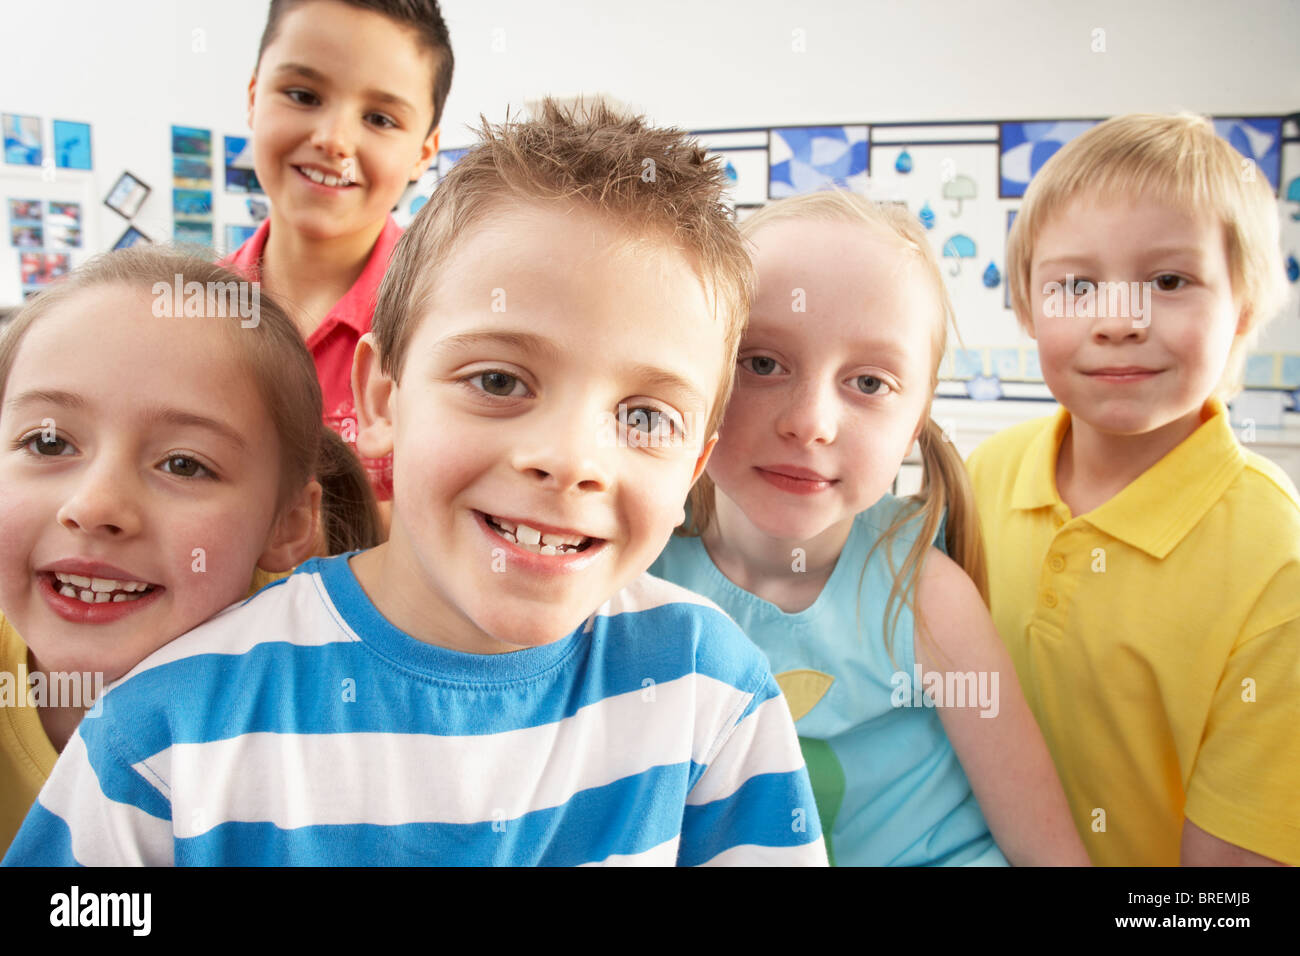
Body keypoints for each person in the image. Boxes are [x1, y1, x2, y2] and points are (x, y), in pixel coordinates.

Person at [4, 102, 826, 867]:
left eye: (646, 417)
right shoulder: (164, 732)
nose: (571, 459)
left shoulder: (709, 686)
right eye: (500, 381)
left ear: (693, 465)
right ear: (382, 398)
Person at [651, 190, 1088, 866]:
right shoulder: (640, 571)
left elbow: (1047, 849)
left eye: (869, 383)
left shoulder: (926, 596)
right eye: (762, 363)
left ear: (915, 421)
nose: (811, 422)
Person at [966, 113, 1299, 866]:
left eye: (1170, 280)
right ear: (1025, 307)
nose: (1118, 320)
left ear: (1243, 307)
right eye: (1075, 285)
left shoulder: (1277, 562)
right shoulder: (986, 473)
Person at [0, 249, 327, 854]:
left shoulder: (326, 732)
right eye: (48, 442)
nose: (94, 506)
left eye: (184, 464)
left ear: (286, 524)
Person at [225, 0, 454, 522]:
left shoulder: (453, 321)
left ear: (424, 151)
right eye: (303, 95)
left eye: (379, 118)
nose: (333, 139)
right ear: (255, 98)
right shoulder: (183, 314)